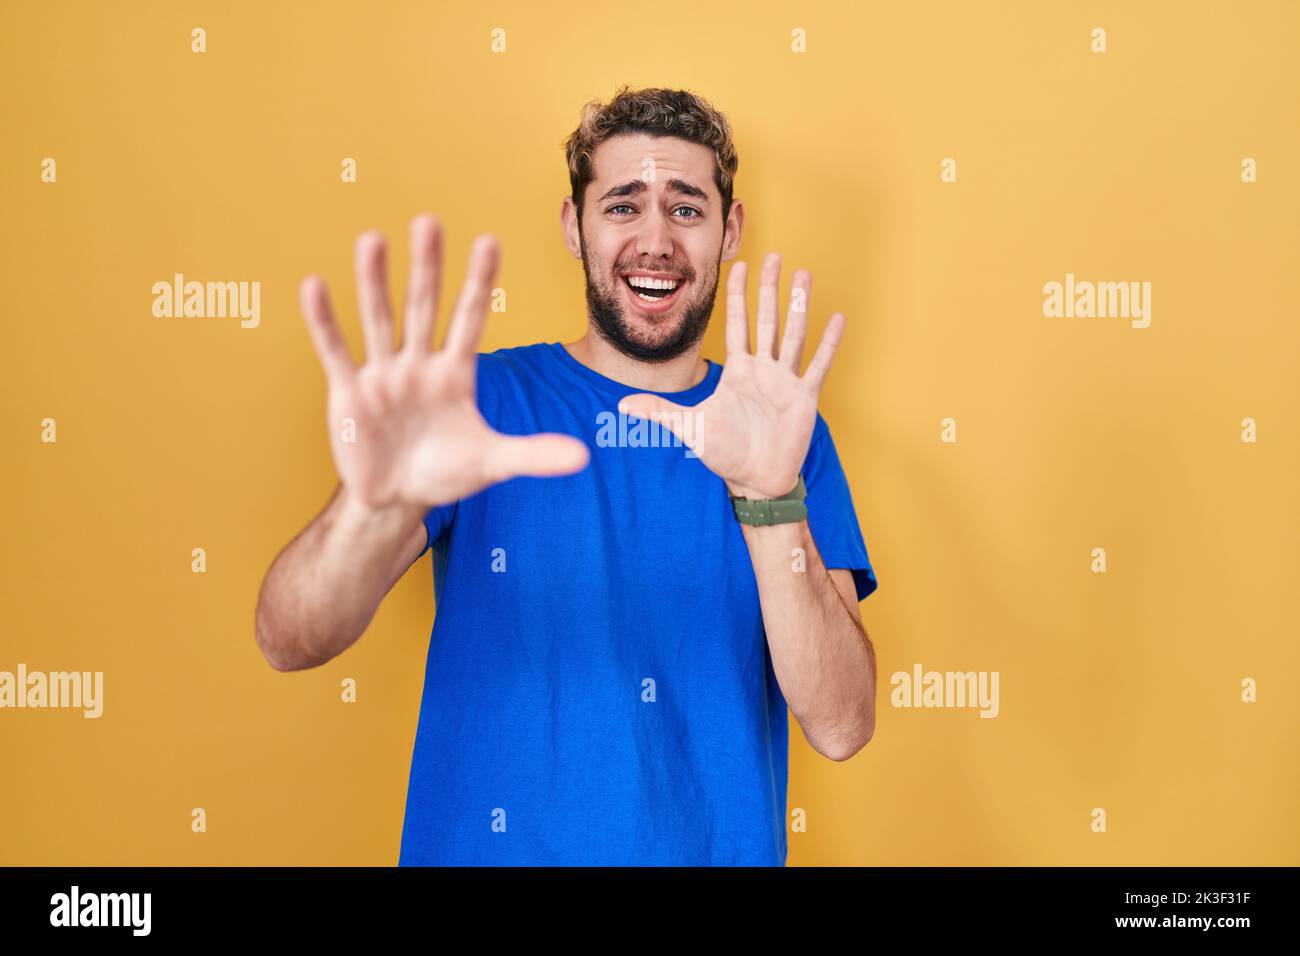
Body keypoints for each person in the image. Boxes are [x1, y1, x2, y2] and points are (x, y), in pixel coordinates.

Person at [254, 85, 879, 866]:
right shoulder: (474, 404)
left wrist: (769, 498)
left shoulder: (786, 438)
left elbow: (842, 725)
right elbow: (289, 639)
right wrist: (370, 507)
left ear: (730, 230)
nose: (655, 240)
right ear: (573, 227)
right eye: (623, 205)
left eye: (686, 208)